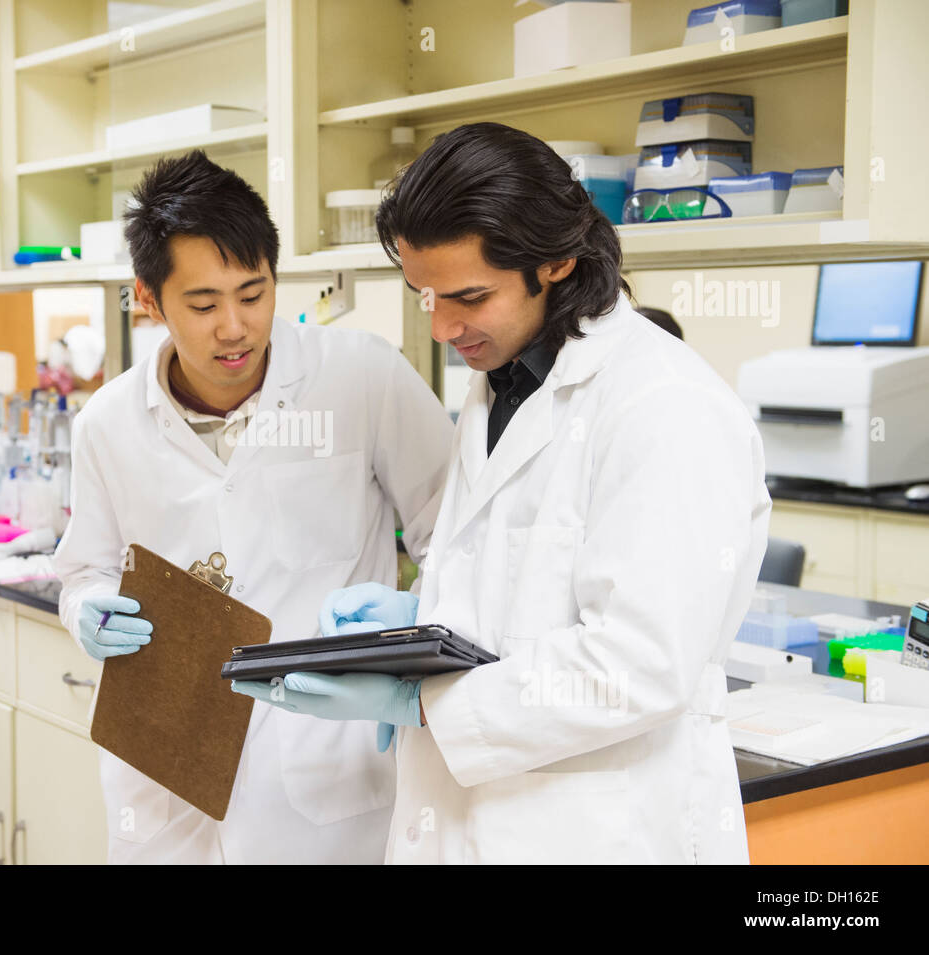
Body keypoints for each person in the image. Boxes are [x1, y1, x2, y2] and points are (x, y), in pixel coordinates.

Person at [236, 122, 770, 864]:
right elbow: (523, 597)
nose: (443, 324)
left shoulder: (666, 404)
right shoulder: (505, 382)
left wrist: (419, 697)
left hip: (597, 833)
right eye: (425, 294)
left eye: (468, 296)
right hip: (465, 822)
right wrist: (421, 622)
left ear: (555, 261)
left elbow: (640, 665)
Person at [52, 150, 454, 864]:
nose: (235, 326)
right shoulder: (107, 423)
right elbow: (83, 568)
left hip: (326, 776)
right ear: (148, 298)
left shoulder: (361, 377)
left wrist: (417, 620)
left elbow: (457, 536)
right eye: (203, 304)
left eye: (253, 291)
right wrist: (87, 609)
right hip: (165, 777)